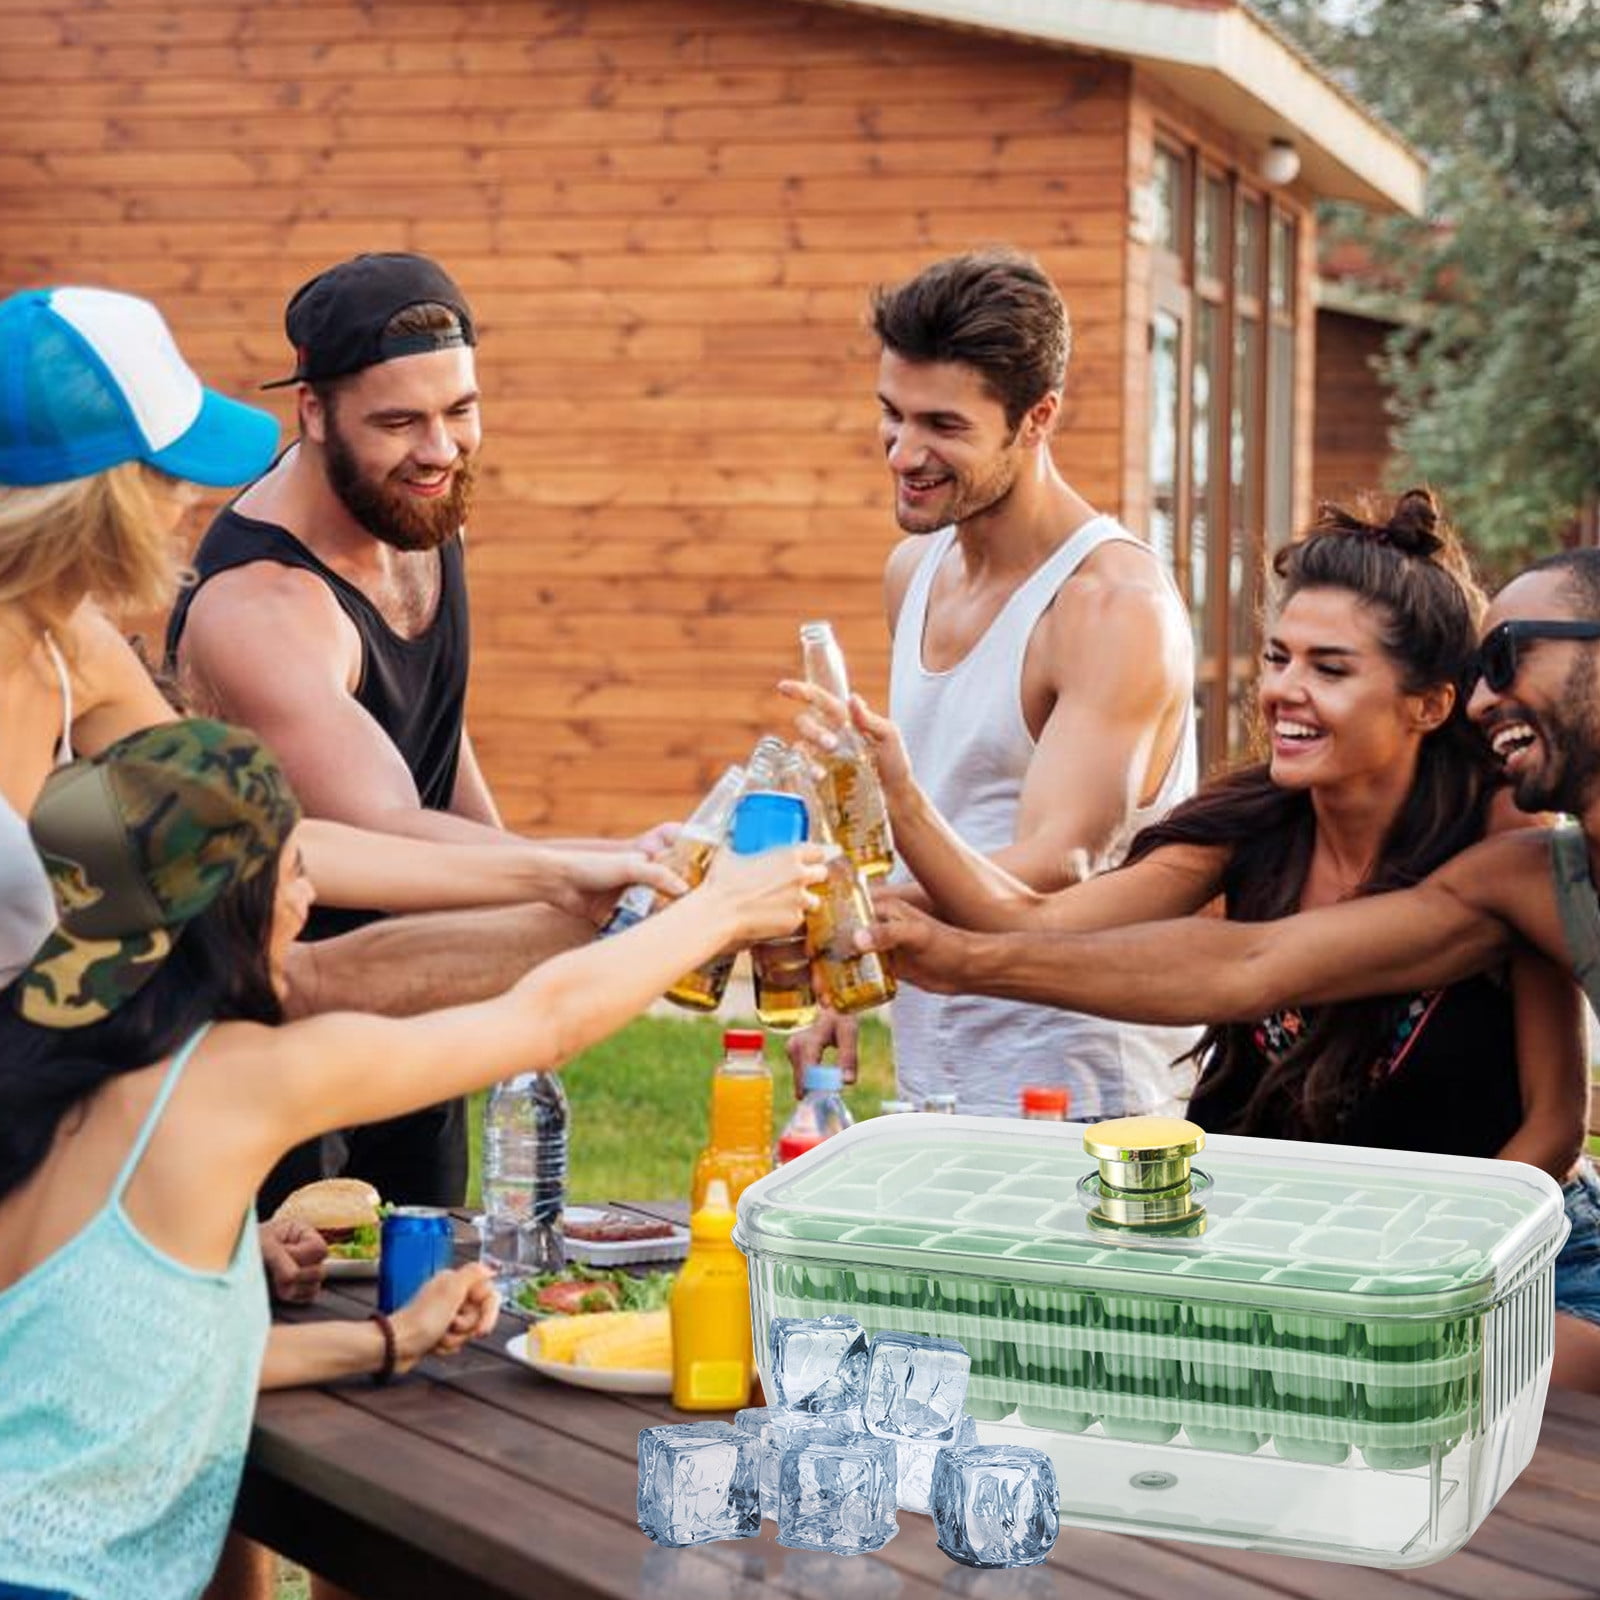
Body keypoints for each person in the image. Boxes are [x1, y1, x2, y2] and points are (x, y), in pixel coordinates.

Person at [0, 718, 825, 1600]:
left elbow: (120, 1360)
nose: (307, 898)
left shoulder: (30, 1059)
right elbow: (541, 1023)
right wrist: (723, 908)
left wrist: (388, 1340)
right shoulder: (229, 1081)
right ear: (234, 902)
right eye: (296, 867)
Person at [858, 512, 1600, 1387]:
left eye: (1330, 668)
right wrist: (906, 832)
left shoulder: (1503, 838)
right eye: (1279, 658)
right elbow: (1204, 955)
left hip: (1493, 1248)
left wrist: (1416, 1278)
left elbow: (1552, 1126)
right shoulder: (1270, 827)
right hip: (1312, 1243)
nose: (1285, 689)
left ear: (1425, 705)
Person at [166, 252, 671, 1211]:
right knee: (303, 1330)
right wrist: (588, 871)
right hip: (278, 1027)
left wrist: (520, 868)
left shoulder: (416, 504)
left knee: (434, 1290)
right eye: (399, 421)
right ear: (313, 412)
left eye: (459, 410)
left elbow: (434, 727)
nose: (439, 448)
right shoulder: (261, 607)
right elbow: (386, 821)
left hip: (419, 998)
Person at [787, 248, 1198, 1119]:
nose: (904, 452)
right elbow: (957, 806)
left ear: (1037, 418)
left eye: (943, 425)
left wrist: (856, 911)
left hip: (1087, 1090)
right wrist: (844, 968)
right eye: (891, 415)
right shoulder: (915, 571)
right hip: (940, 1067)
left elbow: (1058, 861)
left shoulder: (1111, 606)